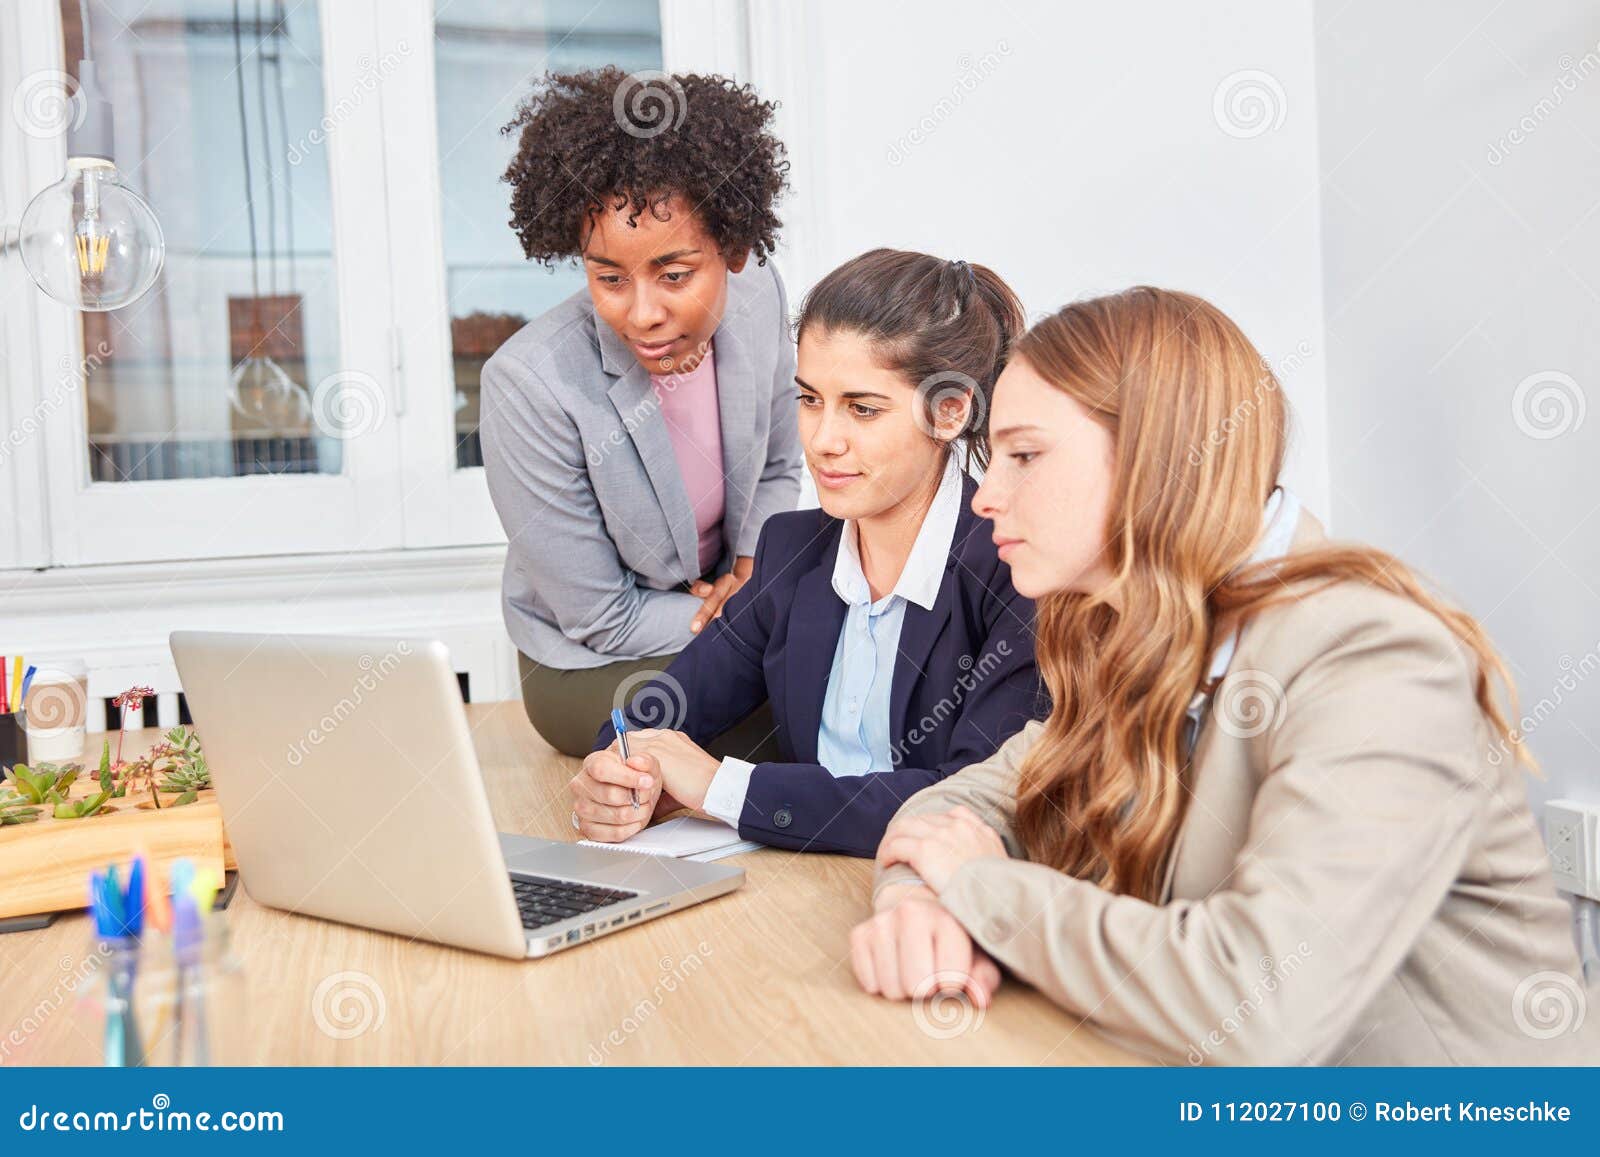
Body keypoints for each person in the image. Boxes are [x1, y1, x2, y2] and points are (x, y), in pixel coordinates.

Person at [850, 286, 1594, 1065]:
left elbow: (1263, 1006)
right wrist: (920, 907)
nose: (987, 496)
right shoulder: (1139, 631)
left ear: (1155, 457)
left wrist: (983, 892)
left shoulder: (1374, 658)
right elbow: (960, 801)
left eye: (1025, 455)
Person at [569, 250, 1047, 856]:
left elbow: (970, 805)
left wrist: (723, 787)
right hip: (793, 886)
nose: (822, 441)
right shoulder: (791, 551)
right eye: (810, 399)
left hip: (924, 899)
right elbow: (656, 712)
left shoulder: (1019, 572)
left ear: (949, 411)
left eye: (862, 408)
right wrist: (614, 776)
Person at [480, 68, 801, 757]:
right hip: (595, 660)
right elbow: (602, 615)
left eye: (675, 275)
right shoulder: (530, 385)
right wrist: (752, 615)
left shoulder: (758, 296)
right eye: (610, 278)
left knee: (836, 689)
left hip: (724, 610)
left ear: (735, 251)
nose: (644, 313)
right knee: (796, 705)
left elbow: (779, 463)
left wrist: (750, 567)